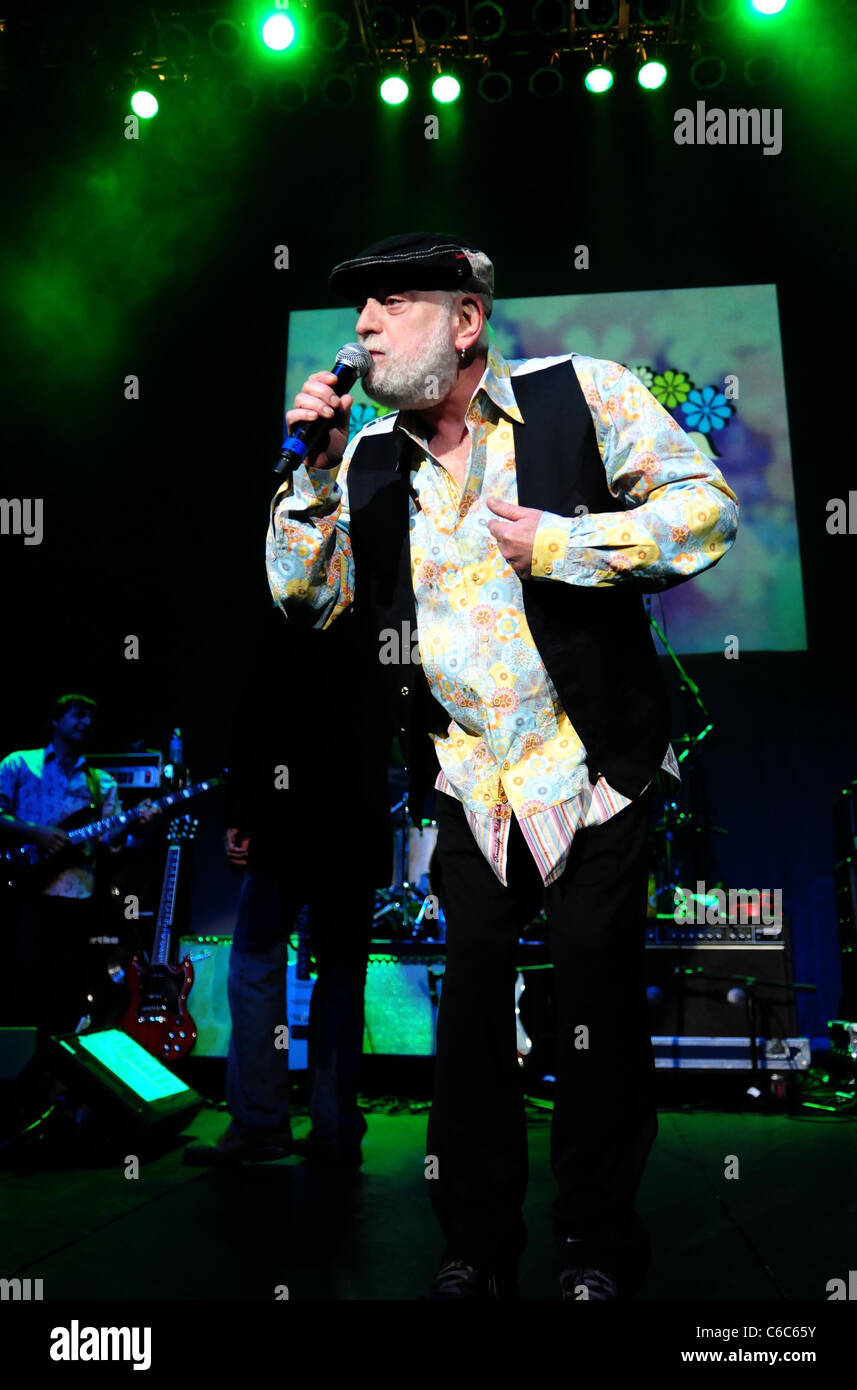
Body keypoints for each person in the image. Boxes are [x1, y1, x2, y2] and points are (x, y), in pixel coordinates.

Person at [264, 232, 740, 1299]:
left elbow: (707, 508)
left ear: (465, 323)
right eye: (359, 312)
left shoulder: (582, 395)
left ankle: (593, 1245)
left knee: (596, 1011)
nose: (363, 329)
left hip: (593, 773)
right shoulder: (366, 458)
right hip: (467, 784)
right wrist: (309, 470)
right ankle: (474, 1243)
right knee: (470, 1015)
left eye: (390, 304)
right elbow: (307, 597)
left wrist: (567, 545)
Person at [183, 606, 392, 1167]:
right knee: (343, 974)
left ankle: (260, 1124)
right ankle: (335, 1128)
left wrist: (241, 812)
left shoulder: (285, 619)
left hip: (286, 823)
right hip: (354, 825)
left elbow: (255, 722)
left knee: (255, 961)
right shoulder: (375, 613)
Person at [0, 693, 156, 1040]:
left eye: (91, 718)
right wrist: (34, 833)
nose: (86, 722)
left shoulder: (101, 783)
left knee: (68, 989)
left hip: (78, 897)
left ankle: (58, 1077)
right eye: (78, 714)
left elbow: (109, 843)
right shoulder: (18, 764)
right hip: (26, 889)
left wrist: (136, 824)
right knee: (22, 984)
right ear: (56, 720)